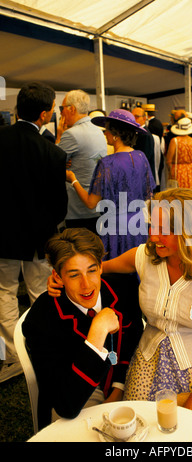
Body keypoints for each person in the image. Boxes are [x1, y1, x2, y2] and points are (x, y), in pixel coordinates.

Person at [101, 188, 192, 414]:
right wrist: (61, 277)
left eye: (164, 230)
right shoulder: (143, 257)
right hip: (148, 361)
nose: (153, 237)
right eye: (152, 226)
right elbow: (95, 269)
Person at [22, 228, 143, 430]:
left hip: (124, 378)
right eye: (74, 274)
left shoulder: (124, 288)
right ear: (58, 277)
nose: (86, 285)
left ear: (101, 267)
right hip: (78, 392)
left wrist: (119, 387)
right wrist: (97, 332)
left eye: (92, 270)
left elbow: (133, 341)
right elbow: (66, 406)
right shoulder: (41, 318)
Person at [0, 82, 68, 383]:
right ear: (43, 114)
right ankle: (42, 348)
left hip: (2, 235)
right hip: (39, 237)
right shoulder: (52, 153)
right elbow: (59, 207)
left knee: (4, 293)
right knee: (41, 293)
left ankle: (13, 357)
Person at [66, 109, 156, 260]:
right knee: (138, 265)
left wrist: (73, 180)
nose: (104, 134)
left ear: (115, 134)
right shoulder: (141, 156)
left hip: (115, 226)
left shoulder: (107, 163)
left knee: (116, 269)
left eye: (106, 130)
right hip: (138, 222)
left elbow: (90, 203)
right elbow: (149, 194)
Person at [56, 90, 107, 233]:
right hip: (96, 203)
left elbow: (52, 163)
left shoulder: (71, 134)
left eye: (62, 108)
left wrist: (59, 135)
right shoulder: (97, 131)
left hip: (77, 208)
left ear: (72, 109)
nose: (61, 113)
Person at [166, 118, 192, 193]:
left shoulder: (175, 141)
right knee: (191, 193)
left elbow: (168, 160)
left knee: (178, 194)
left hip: (177, 169)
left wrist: (170, 172)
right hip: (191, 169)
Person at [132, 106, 156, 180]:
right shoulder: (137, 132)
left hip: (144, 175)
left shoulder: (145, 134)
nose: (133, 119)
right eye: (132, 117)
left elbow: (145, 158)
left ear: (144, 118)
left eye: (136, 117)